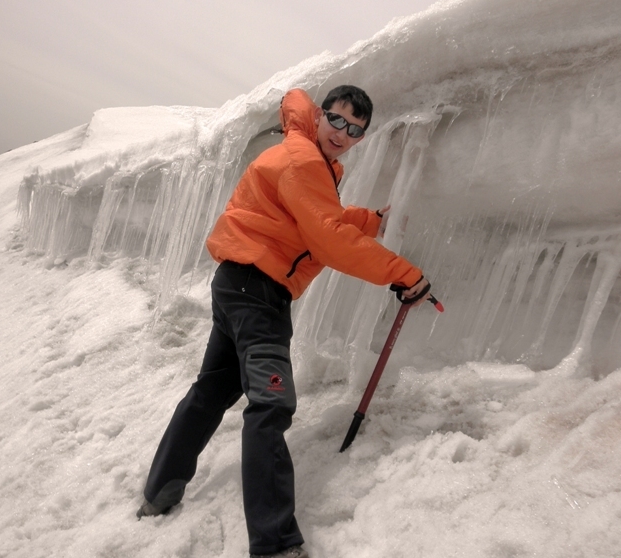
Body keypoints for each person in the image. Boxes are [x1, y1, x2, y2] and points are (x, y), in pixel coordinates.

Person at [137, 86, 433, 558]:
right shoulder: (305, 161)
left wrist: (370, 220)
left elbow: (316, 217)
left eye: (356, 130)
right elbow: (328, 238)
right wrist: (404, 274)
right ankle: (273, 544)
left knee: (211, 391)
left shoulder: (304, 156)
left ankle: (159, 494)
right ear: (319, 116)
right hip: (256, 293)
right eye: (337, 120)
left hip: (239, 283)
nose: (344, 134)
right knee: (271, 404)